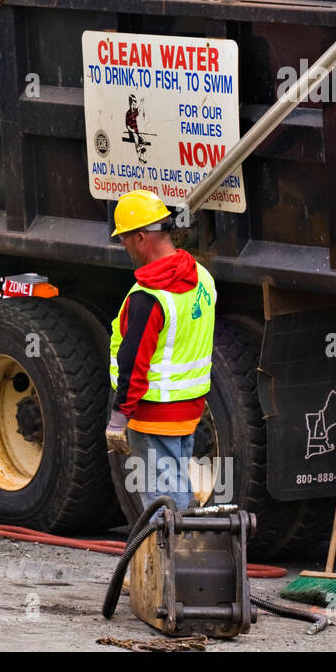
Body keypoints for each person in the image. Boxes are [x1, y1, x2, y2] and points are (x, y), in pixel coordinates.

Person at [105, 190, 215, 513]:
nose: (123, 246)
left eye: (124, 238)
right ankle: (181, 556)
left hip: (153, 415)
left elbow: (133, 362)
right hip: (188, 411)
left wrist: (117, 419)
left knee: (163, 507)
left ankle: (172, 562)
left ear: (141, 238)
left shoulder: (148, 297)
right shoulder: (202, 277)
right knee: (178, 489)